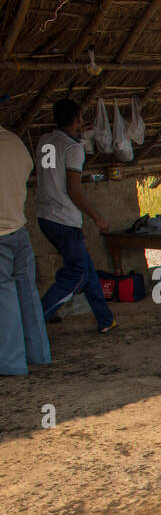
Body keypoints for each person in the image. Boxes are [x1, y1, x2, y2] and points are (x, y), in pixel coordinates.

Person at [35, 99, 116, 332]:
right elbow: (74, 189)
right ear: (77, 119)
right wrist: (97, 217)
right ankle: (36, 321)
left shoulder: (45, 140)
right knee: (75, 275)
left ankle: (105, 319)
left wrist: (78, 133)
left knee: (86, 268)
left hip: (44, 215)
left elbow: (55, 165)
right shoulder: (74, 149)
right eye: (80, 118)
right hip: (64, 219)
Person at [0, 123, 51, 375]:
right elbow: (27, 171)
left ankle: (11, 364)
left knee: (5, 298)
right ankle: (39, 353)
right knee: (27, 294)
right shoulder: (15, 142)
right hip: (19, 229)